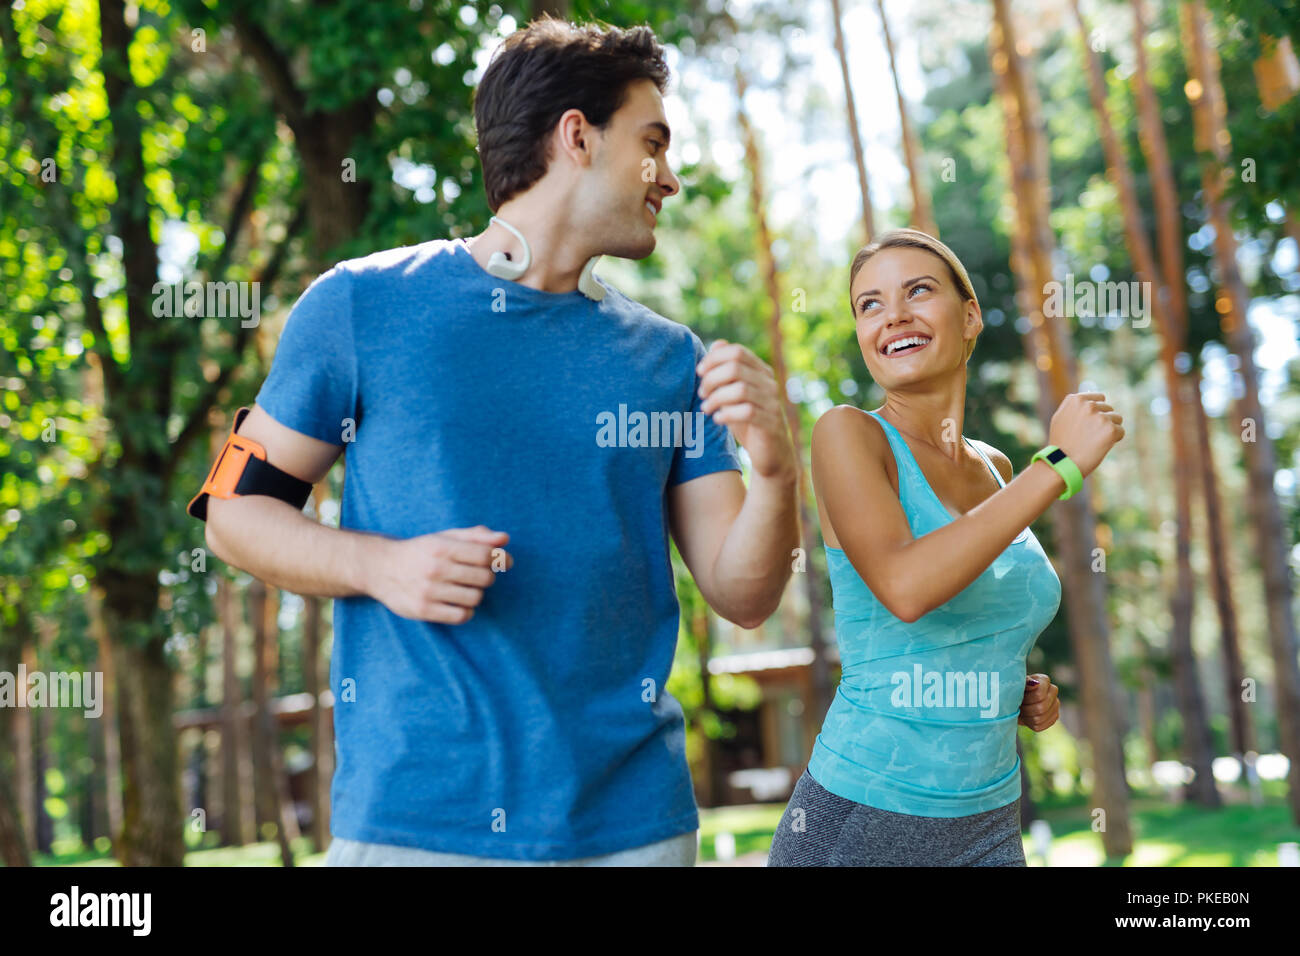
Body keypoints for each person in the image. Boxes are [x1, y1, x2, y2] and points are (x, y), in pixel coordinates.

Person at [196, 17, 801, 866]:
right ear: (577, 136)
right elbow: (232, 513)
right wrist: (382, 566)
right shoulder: (361, 307)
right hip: (414, 824)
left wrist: (776, 472)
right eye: (652, 143)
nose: (669, 177)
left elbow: (743, 594)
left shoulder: (671, 361)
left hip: (633, 832)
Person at [766, 228, 1124, 866]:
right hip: (863, 820)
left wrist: (1005, 683)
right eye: (869, 305)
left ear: (970, 317)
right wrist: (1060, 465)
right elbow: (905, 587)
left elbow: (970, 611)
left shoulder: (995, 468)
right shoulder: (849, 436)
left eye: (918, 291)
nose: (893, 315)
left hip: (989, 816)